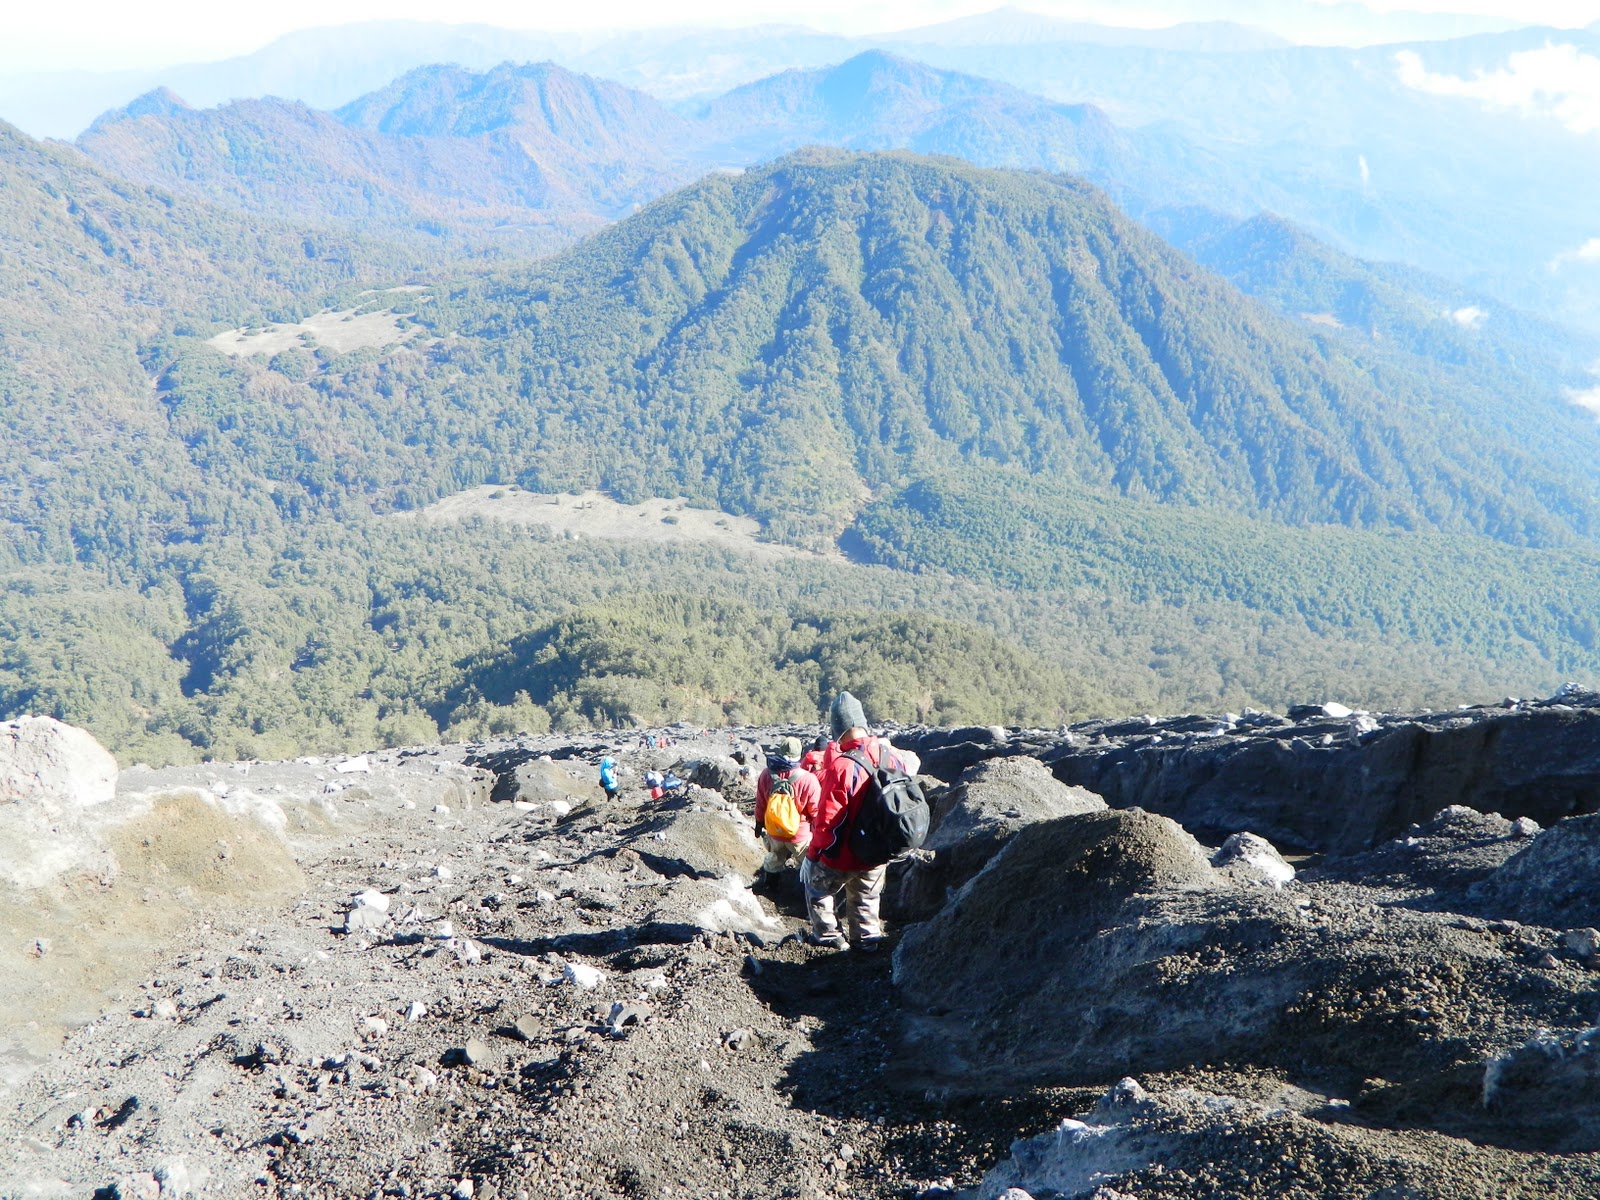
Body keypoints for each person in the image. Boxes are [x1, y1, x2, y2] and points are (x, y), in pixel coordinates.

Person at [803, 691, 905, 952]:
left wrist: (813, 856)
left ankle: (829, 938)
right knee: (866, 897)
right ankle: (867, 943)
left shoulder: (842, 766)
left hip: (846, 854)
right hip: (879, 851)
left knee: (818, 887)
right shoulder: (891, 756)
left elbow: (827, 821)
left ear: (837, 727)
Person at [753, 736, 821, 882]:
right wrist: (819, 831)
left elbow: (760, 803)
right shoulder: (808, 779)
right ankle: (799, 891)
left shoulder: (766, 774)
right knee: (805, 864)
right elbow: (815, 811)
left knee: (774, 860)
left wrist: (759, 823)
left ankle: (769, 888)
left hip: (774, 831)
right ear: (800, 754)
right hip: (799, 834)